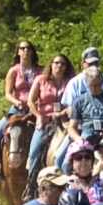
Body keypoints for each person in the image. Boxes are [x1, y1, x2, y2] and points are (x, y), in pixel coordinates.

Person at [0, 39, 43, 175]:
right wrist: (16, 101)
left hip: (34, 110)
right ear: (18, 52)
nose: (25, 51)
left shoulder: (40, 71)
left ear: (32, 52)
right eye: (22, 48)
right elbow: (7, 93)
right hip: (17, 109)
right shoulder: (13, 71)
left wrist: (36, 103)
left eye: (28, 48)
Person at [26, 53, 75, 189]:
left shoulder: (70, 82)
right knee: (34, 150)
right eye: (56, 63)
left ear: (66, 67)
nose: (59, 66)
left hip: (64, 121)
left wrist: (63, 112)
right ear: (51, 64)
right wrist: (38, 116)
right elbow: (30, 101)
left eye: (62, 64)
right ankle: (30, 186)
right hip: (44, 121)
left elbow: (74, 103)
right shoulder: (41, 80)